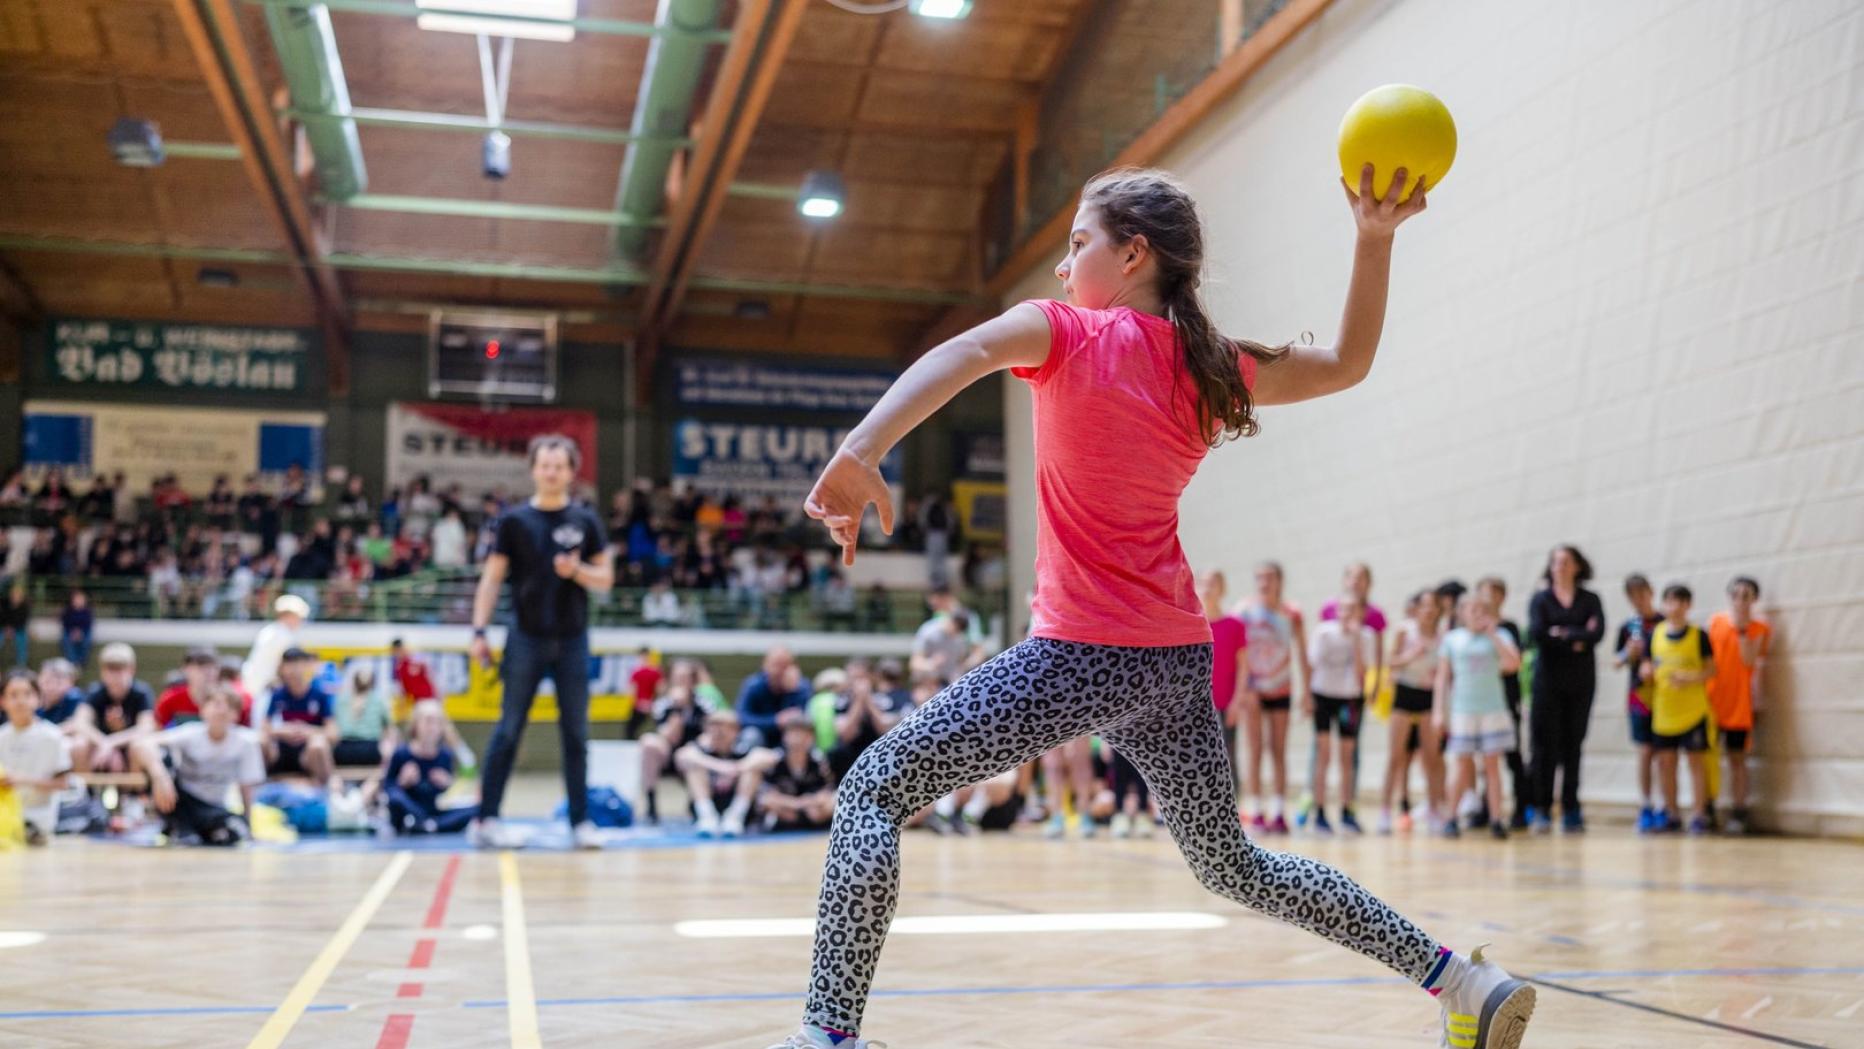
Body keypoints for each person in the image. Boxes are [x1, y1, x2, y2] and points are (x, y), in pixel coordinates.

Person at [775, 165, 1532, 1049]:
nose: (1064, 268)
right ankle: (1461, 980)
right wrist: (1374, 239)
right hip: (1176, 661)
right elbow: (1349, 362)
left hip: (1079, 657)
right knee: (1235, 864)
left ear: (1132, 253)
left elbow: (960, 354)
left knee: (872, 787)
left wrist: (865, 447)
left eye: (1078, 244)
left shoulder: (1062, 332)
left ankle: (828, 1036)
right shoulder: (1212, 370)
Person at [467, 434, 614, 851]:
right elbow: (492, 579)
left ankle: (580, 822)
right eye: (544, 465)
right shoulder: (513, 522)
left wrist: (577, 572)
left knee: (576, 734)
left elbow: (605, 580)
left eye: (559, 466)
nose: (551, 472)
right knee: (508, 729)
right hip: (525, 637)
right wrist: (478, 632)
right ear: (534, 469)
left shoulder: (586, 521)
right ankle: (486, 820)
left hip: (572, 639)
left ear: (571, 471)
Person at [1526, 544, 1605, 833]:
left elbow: (1597, 632)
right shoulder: (1541, 599)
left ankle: (1571, 807)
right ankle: (1542, 808)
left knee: (1574, 744)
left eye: (1566, 562)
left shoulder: (1590, 599)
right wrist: (1577, 635)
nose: (1559, 566)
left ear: (1577, 566)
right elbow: (1537, 633)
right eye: (1555, 562)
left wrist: (1561, 632)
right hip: (1548, 683)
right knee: (1546, 746)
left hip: (1581, 682)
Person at [131, 684, 264, 847]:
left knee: (232, 833)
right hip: (181, 804)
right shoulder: (190, 733)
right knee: (162, 757)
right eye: (216, 704)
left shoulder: (246, 742)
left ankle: (188, 831)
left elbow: (247, 785)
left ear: (236, 715)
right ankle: (176, 826)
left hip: (213, 808)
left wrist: (248, 823)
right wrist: (161, 777)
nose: (221, 711)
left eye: (229, 706)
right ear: (203, 710)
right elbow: (142, 745)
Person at [1434, 595, 1521, 840]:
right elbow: (1442, 678)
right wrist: (1439, 711)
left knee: (1492, 765)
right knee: (1461, 763)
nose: (1476, 613)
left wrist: (1493, 634)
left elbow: (1514, 664)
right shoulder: (1452, 639)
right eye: (1471, 609)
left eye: (1482, 609)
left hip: (1493, 709)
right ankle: (1451, 818)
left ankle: (1496, 818)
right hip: (1463, 710)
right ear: (1461, 613)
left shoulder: (1500, 636)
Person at [1233, 561, 1303, 834]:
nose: (1264, 582)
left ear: (1279, 580)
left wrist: (1306, 690)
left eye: (1269, 577)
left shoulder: (1291, 613)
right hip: (1253, 689)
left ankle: (1278, 809)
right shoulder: (1243, 611)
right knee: (1255, 749)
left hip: (1282, 686)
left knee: (1278, 749)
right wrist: (1240, 690)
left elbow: (1302, 651)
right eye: (1259, 577)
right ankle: (1256, 809)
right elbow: (1235, 651)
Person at [1643, 584, 1717, 834]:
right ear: (1663, 604)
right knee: (1666, 763)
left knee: (1696, 761)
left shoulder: (1699, 635)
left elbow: (1712, 669)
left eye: (1680, 602)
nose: (1674, 607)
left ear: (1688, 606)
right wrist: (1645, 672)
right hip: (1664, 711)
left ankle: (1698, 813)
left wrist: (1690, 678)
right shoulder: (1655, 634)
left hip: (1693, 710)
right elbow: (1647, 665)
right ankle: (1671, 813)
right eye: (1670, 601)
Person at [1706, 576, 1770, 835]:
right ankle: (1707, 808)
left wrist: (1742, 629)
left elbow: (1748, 660)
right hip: (1712, 701)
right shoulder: (1716, 623)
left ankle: (1739, 810)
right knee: (1708, 759)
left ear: (1754, 599)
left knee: (1737, 760)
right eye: (1736, 595)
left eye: (1746, 595)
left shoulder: (1759, 630)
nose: (1740, 600)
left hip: (1739, 705)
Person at [1306, 594, 1375, 835]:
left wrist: (1355, 640)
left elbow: (1361, 673)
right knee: (1323, 755)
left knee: (1347, 756)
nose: (1347, 615)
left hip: (1349, 699)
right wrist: (1306, 697)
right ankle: (1320, 812)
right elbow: (1313, 663)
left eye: (1352, 610)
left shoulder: (1366, 636)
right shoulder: (1323, 633)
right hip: (1323, 695)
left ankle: (1347, 811)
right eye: (1343, 610)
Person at [1381, 590, 1444, 835]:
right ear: (1416, 609)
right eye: (1424, 606)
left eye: (1433, 606)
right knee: (1395, 756)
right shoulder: (1404, 631)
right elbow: (1390, 661)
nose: (1428, 611)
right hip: (1405, 692)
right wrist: (1409, 656)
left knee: (1431, 757)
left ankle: (1435, 809)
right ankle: (1386, 810)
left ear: (1438, 610)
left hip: (1428, 695)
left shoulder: (1442, 637)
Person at [1473, 577, 1528, 830]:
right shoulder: (1472, 631)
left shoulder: (1508, 628)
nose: (1487, 599)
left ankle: (1521, 807)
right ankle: (1487, 807)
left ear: (1501, 597)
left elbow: (1510, 663)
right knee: (1486, 759)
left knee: (1513, 755)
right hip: (1481, 699)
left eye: (1492, 594)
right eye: (1482, 594)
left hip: (1506, 698)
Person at [1612, 574, 1665, 833]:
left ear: (1651, 592)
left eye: (1642, 593)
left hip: (1665, 695)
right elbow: (1615, 661)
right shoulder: (1628, 627)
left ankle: (1667, 806)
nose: (1638, 599)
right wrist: (1627, 654)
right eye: (1633, 595)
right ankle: (1645, 804)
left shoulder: (1665, 623)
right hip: (1639, 696)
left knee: (1666, 753)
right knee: (1645, 751)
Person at [376, 701, 476, 836]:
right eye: (428, 721)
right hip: (406, 809)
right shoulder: (402, 753)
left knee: (477, 808)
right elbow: (388, 788)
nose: (433, 727)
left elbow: (441, 793)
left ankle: (428, 825)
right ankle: (427, 824)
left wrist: (446, 783)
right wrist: (402, 782)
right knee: (396, 798)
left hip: (430, 810)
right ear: (416, 725)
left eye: (438, 722)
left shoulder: (445, 755)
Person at [676, 708, 776, 838]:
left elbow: (769, 757)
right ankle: (707, 817)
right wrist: (719, 767)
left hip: (737, 806)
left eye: (723, 729)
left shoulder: (743, 748)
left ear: (735, 731)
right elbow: (682, 755)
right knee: (694, 768)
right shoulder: (702, 749)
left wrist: (737, 768)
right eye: (713, 728)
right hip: (710, 803)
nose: (717, 733)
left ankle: (735, 817)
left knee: (752, 771)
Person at [0, 670, 73, 846]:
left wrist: (21, 780)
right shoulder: (2, 736)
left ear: (38, 699)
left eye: (27, 694)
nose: (21, 700)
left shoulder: (52, 736)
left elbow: (63, 783)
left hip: (38, 821)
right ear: (3, 701)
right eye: (14, 695)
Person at [1196, 570, 1248, 775]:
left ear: (1222, 589)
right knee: (1199, 759)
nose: (1208, 588)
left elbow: (1243, 666)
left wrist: (1238, 701)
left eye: (1213, 583)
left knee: (1227, 758)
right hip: (1196, 705)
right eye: (1203, 583)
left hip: (1226, 703)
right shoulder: (1192, 625)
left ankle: (1233, 805)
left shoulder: (1235, 625)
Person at [77, 642, 156, 773]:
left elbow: (146, 728)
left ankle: (133, 791)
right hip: (98, 747)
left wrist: (111, 743)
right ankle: (84, 789)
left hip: (127, 747)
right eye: (110, 669)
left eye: (119, 669)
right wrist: (103, 743)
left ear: (131, 670)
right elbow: (80, 723)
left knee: (138, 746)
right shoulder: (94, 691)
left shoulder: (142, 693)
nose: (115, 676)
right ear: (102, 671)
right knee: (78, 745)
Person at [761, 718, 836, 833]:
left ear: (811, 738)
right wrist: (797, 803)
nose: (797, 739)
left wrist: (812, 801)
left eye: (803, 735)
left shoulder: (819, 760)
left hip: (812, 808)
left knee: (829, 804)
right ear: (784, 737)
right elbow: (768, 795)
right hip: (788, 807)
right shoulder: (775, 761)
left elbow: (827, 790)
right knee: (768, 803)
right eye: (793, 734)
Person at [157, 647, 253, 728]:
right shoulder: (171, 698)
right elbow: (157, 726)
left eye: (213, 666)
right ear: (186, 669)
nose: (208, 671)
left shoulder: (234, 698)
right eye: (201, 665)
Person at [736, 647, 810, 749]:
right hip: (761, 739)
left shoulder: (801, 687)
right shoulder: (753, 685)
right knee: (751, 735)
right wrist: (775, 721)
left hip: (788, 743)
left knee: (801, 736)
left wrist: (791, 692)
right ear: (765, 665)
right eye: (776, 665)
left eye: (785, 665)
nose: (780, 671)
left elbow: (804, 720)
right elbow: (742, 718)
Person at [241, 594, 308, 703]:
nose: (300, 621)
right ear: (288, 616)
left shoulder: (270, 631)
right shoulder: (283, 635)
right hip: (267, 690)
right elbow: (288, 668)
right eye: (298, 617)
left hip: (256, 688)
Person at [331, 662, 395, 769]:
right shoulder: (342, 700)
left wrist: (388, 745)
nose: (364, 678)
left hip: (370, 746)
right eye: (362, 674)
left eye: (367, 675)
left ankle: (371, 783)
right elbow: (332, 725)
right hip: (344, 746)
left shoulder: (378, 701)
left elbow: (389, 728)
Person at [60, 589, 93, 670]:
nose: (78, 601)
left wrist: (80, 632)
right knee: (67, 642)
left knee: (86, 642)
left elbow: (87, 625)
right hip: (70, 632)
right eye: (76, 599)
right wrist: (73, 632)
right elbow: (65, 623)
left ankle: (81, 663)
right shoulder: (68, 611)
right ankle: (73, 664)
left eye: (81, 599)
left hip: (83, 632)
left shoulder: (87, 612)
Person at [1, 582, 28, 668]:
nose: (15, 597)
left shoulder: (24, 608)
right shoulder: (5, 605)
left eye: (17, 596)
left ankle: (21, 664)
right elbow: (2, 618)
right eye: (14, 595)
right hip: (4, 629)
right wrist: (6, 628)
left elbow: (22, 622)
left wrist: (13, 629)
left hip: (18, 630)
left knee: (22, 639)